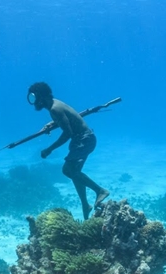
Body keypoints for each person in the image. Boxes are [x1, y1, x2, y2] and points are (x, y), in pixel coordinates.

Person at [28, 81, 110, 219]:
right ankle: (85, 205)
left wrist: (49, 149)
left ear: (40, 97)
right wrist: (52, 124)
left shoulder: (54, 108)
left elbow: (67, 133)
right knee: (74, 172)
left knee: (67, 170)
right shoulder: (54, 104)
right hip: (83, 139)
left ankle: (100, 190)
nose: (34, 102)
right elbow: (65, 120)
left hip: (83, 140)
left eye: (33, 98)